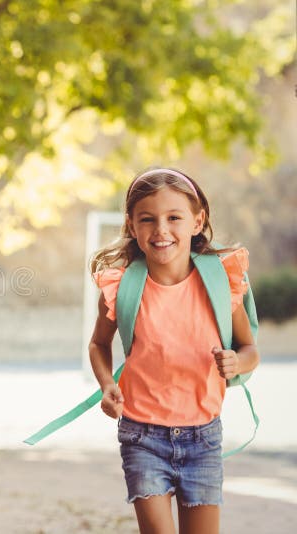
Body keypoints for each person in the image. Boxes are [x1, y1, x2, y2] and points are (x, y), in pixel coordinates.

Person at [88, 168, 259, 534]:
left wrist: (236, 362)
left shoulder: (220, 284)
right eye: (147, 219)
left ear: (197, 221)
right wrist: (107, 385)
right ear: (132, 226)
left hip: (204, 439)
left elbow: (249, 349)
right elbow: (98, 344)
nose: (161, 230)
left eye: (174, 218)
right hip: (142, 438)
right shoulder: (122, 286)